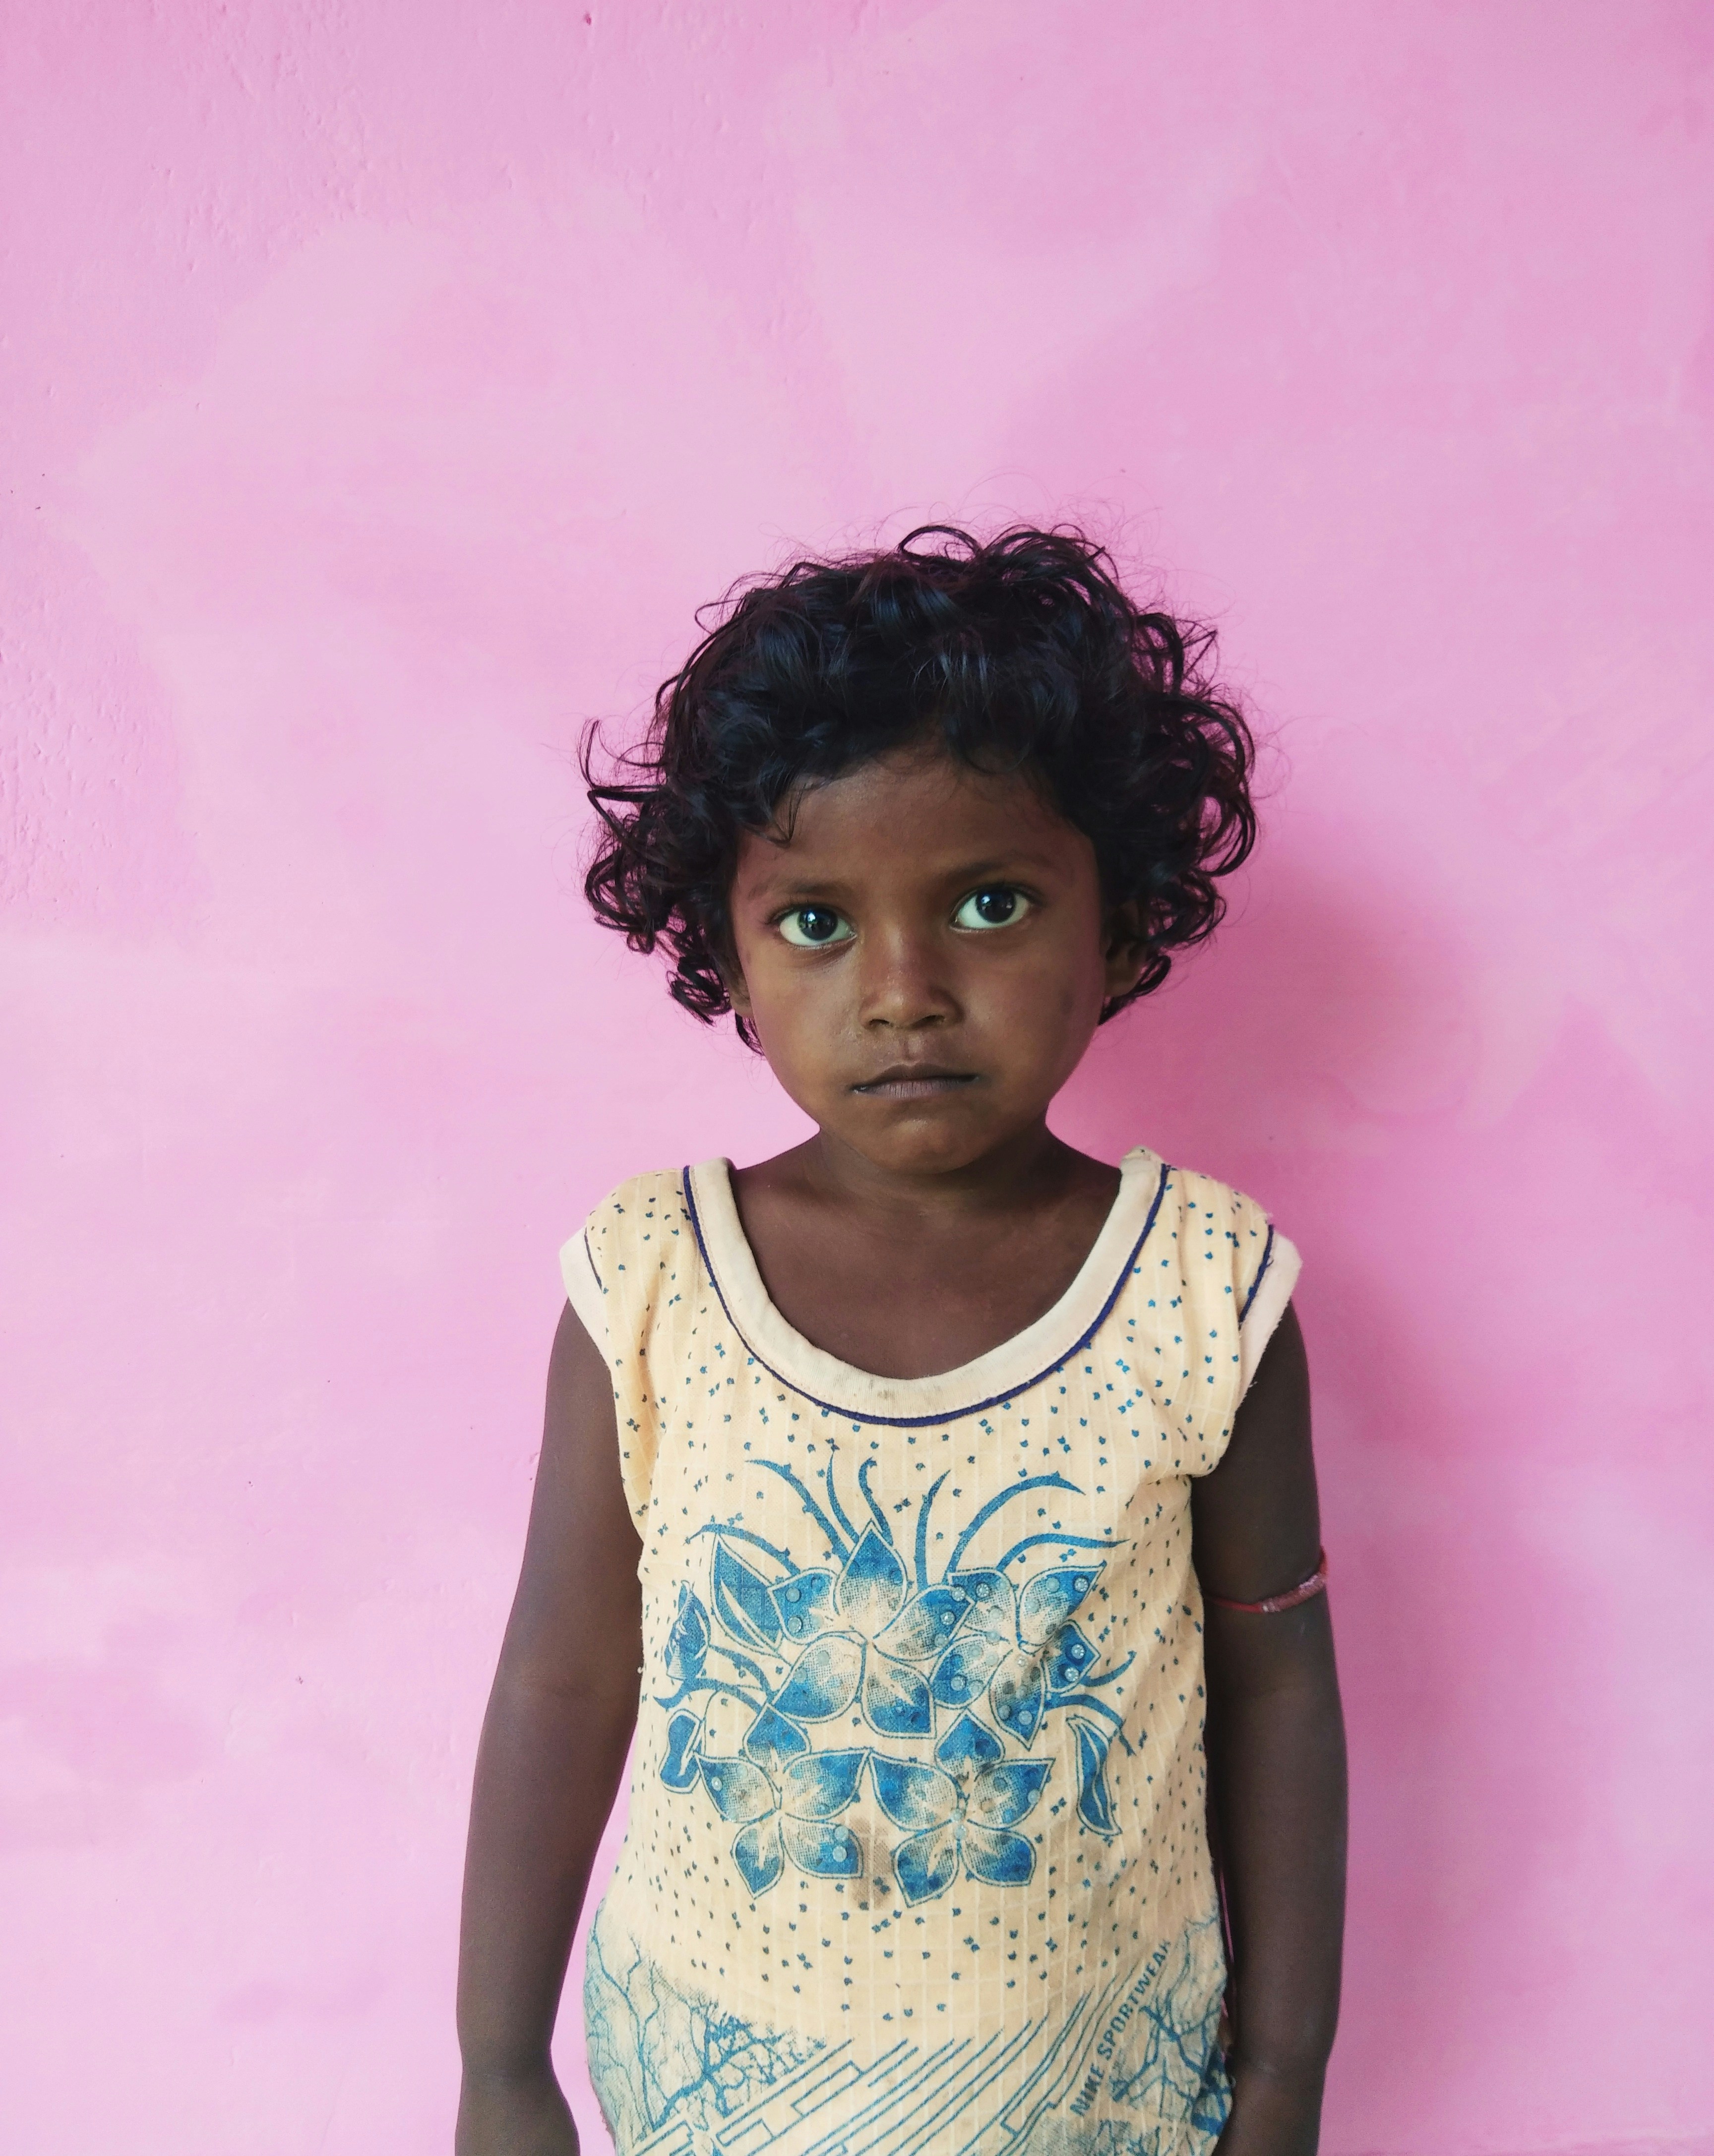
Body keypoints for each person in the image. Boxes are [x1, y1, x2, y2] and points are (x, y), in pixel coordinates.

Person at [454, 527, 1346, 2156]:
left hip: (1091, 2089)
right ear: (722, 952)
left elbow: (1279, 1684)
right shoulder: (651, 1276)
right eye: (815, 922)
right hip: (716, 2080)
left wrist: (1285, 2075)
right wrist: (498, 2065)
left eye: (990, 901)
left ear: (1124, 926)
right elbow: (564, 1668)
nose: (905, 989)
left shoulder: (1208, 1290)